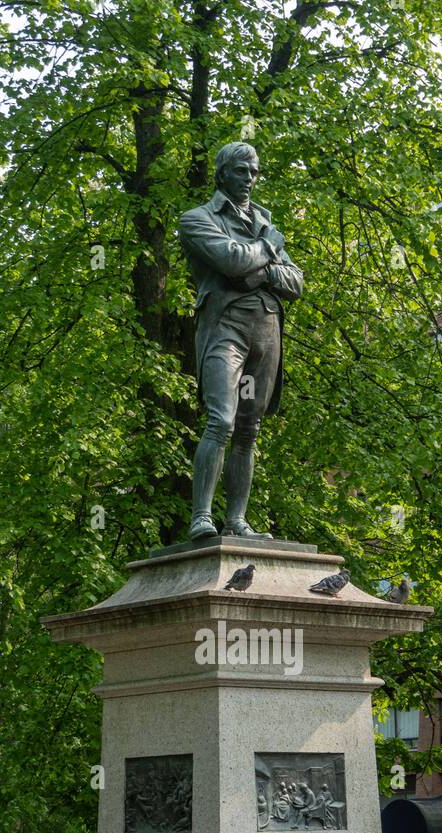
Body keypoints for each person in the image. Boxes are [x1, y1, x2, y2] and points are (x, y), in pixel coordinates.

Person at [179, 142, 304, 540]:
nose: (249, 179)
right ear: (221, 173)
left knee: (249, 427)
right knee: (222, 419)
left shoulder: (262, 221)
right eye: (240, 171)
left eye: (253, 172)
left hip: (264, 333)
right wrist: (268, 248)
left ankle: (236, 520)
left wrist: (258, 270)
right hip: (225, 330)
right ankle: (201, 516)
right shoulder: (198, 219)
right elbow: (231, 262)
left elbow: (295, 282)